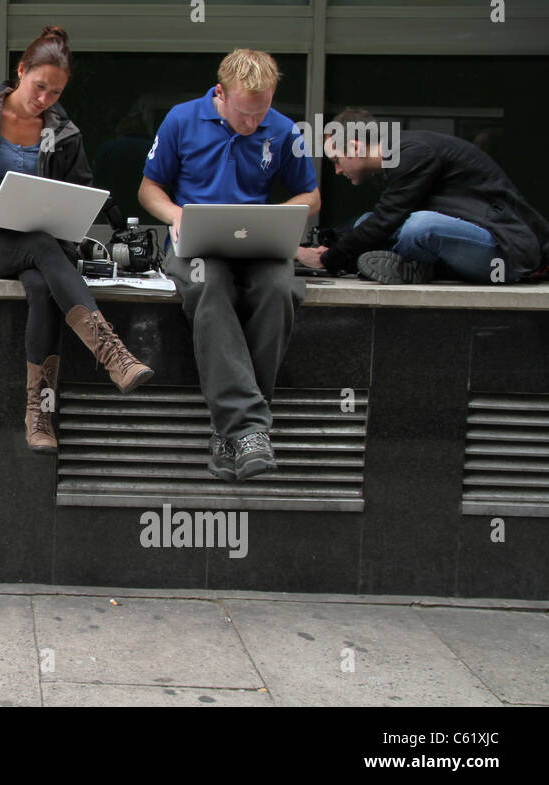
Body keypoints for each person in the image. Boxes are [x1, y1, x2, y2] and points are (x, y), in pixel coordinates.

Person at [0, 26, 153, 454]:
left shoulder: (66, 134)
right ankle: (112, 352)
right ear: (20, 71)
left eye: (55, 93)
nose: (44, 100)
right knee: (42, 248)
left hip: (38, 247)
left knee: (42, 280)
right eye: (39, 87)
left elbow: (78, 193)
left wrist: (61, 209)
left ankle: (38, 413)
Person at [138, 49, 319, 481]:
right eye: (244, 114)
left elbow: (310, 196)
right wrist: (176, 214)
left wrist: (282, 214)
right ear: (220, 93)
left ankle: (230, 430)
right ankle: (250, 429)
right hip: (195, 247)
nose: (254, 123)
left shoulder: (284, 129)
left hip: (257, 247)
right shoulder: (182, 120)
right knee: (210, 289)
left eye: (262, 113)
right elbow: (149, 189)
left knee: (280, 290)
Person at [296, 109, 549, 284]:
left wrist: (331, 258)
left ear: (354, 146)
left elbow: (387, 219)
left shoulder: (412, 153)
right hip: (470, 245)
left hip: (505, 255)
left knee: (419, 227)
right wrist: (334, 243)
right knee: (365, 223)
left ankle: (410, 265)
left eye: (336, 160)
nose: (338, 170)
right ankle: (412, 266)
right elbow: (381, 219)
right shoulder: (398, 155)